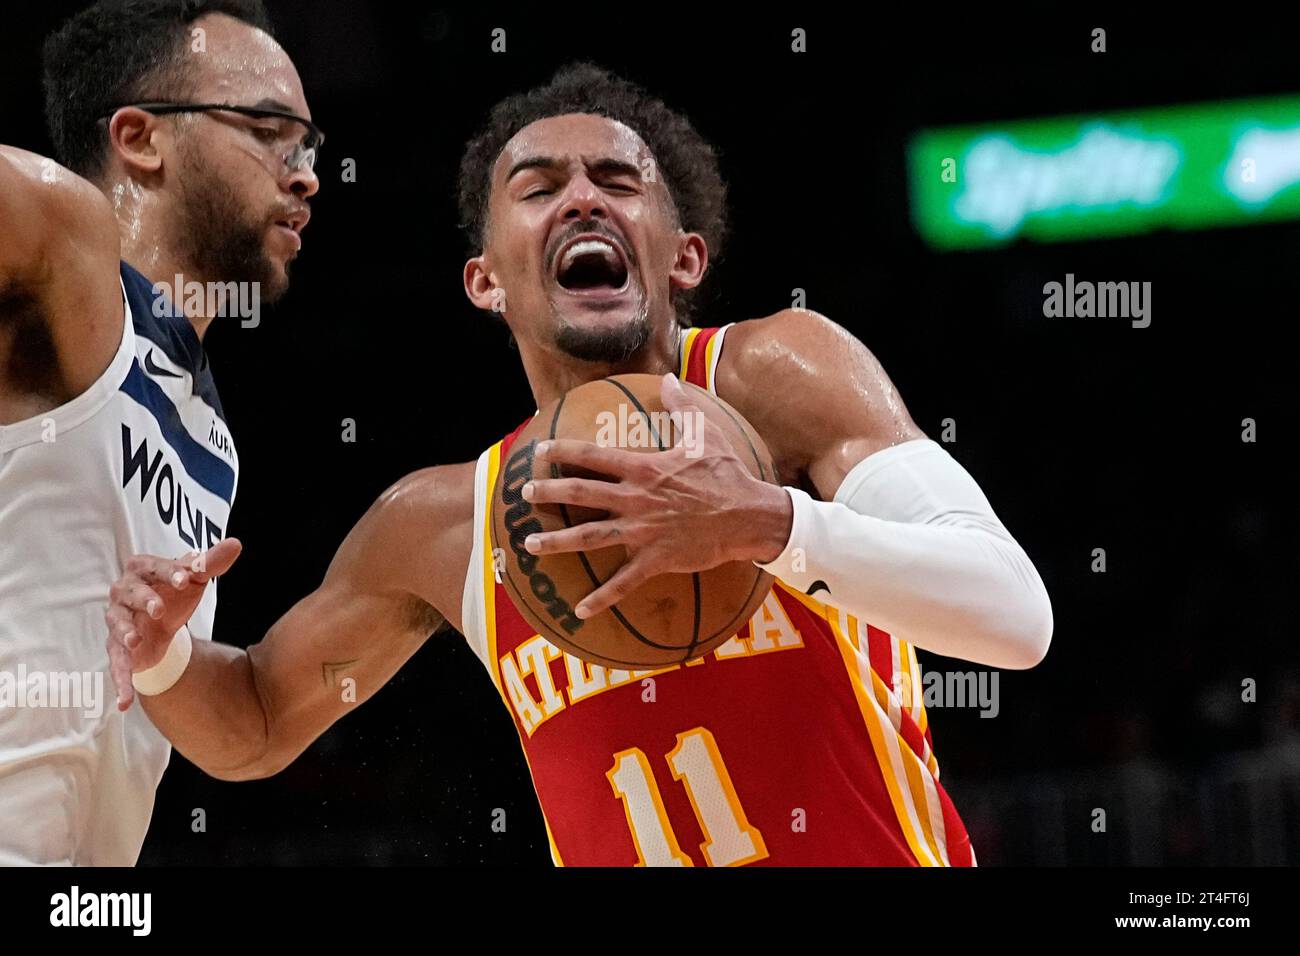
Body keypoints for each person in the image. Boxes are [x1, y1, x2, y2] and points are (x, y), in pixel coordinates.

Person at [105, 63, 1051, 866]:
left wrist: (765, 523)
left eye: (617, 179)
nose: (583, 197)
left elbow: (1014, 616)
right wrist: (162, 656)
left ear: (683, 258)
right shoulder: (445, 522)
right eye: (540, 185)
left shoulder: (777, 376)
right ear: (485, 279)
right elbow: (258, 720)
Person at [0, 0, 318, 865]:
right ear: (140, 137)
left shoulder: (214, 441)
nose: (306, 175)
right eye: (267, 130)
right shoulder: (61, 242)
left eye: (308, 147)